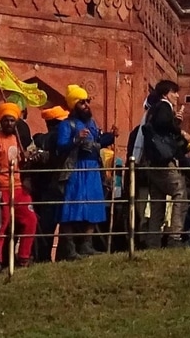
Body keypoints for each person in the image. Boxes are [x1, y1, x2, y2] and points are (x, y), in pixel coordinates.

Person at [54, 85, 116, 261]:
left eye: (87, 101)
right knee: (71, 209)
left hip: (93, 170)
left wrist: (111, 136)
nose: (87, 105)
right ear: (74, 105)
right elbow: (61, 146)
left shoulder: (92, 123)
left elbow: (98, 142)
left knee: (94, 207)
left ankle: (86, 245)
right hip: (75, 169)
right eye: (82, 102)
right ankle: (70, 248)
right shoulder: (67, 124)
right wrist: (76, 139)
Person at [134, 80, 190, 249]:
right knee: (180, 193)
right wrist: (178, 130)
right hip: (164, 162)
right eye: (174, 92)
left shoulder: (151, 111)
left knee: (157, 202)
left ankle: (153, 242)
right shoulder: (164, 107)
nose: (177, 96)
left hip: (152, 163)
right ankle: (175, 237)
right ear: (166, 94)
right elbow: (163, 124)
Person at [0, 103, 37, 268]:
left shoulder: (18, 138)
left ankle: (23, 256)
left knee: (31, 219)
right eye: (6, 120)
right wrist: (1, 176)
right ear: (1, 122)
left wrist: (27, 158)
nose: (9, 123)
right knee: (1, 226)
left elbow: (23, 160)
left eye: (12, 120)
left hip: (18, 187)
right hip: (3, 188)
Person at [28, 105, 69, 262]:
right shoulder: (59, 139)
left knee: (44, 228)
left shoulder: (38, 139)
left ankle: (41, 258)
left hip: (42, 189)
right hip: (56, 187)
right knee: (62, 225)